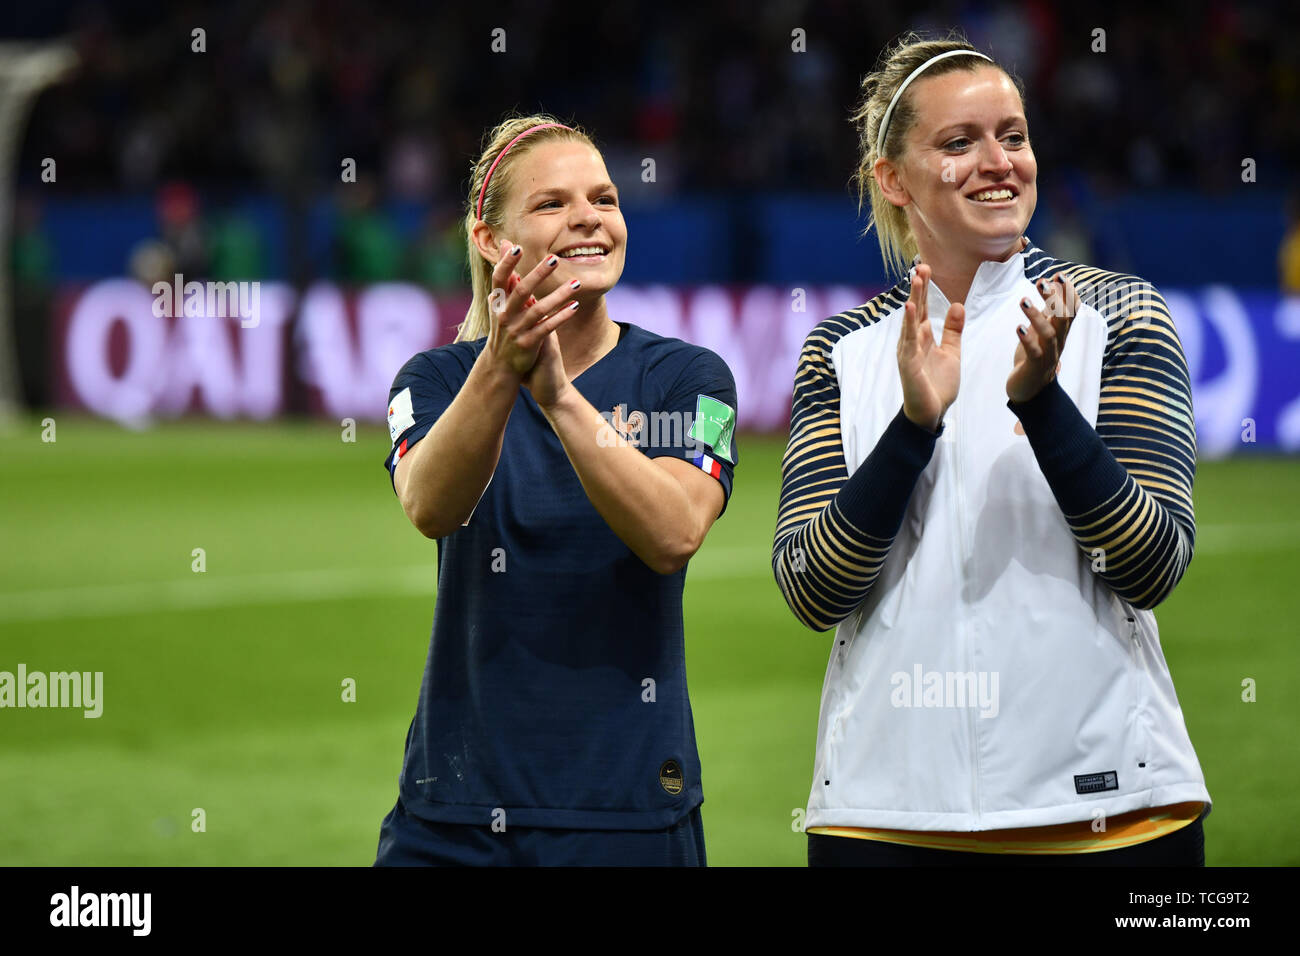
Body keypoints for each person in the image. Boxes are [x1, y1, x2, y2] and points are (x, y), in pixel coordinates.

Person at [772, 35, 1210, 866]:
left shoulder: (1123, 314)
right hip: (884, 815)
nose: (998, 161)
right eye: (958, 142)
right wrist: (910, 430)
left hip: (1111, 808)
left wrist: (1043, 408)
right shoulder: (840, 349)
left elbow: (1153, 565)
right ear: (894, 179)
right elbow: (811, 588)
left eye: (1013, 135)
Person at [374, 114, 739, 866]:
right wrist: (503, 369)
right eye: (552, 204)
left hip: (627, 814)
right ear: (487, 239)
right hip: (451, 818)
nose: (588, 219)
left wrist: (563, 399)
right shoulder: (436, 379)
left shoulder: (686, 379)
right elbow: (431, 506)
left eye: (604, 199)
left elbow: (673, 533)